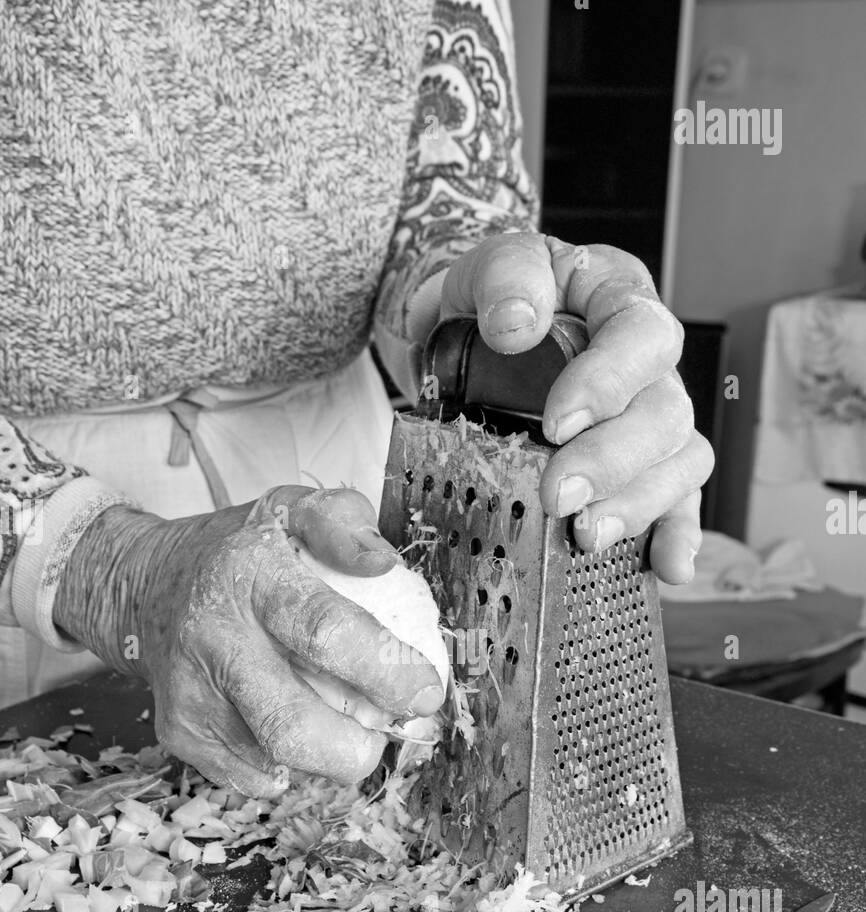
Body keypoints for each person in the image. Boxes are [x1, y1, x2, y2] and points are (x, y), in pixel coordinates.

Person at [0, 0, 712, 794]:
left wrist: (514, 326)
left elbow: (445, 182)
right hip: (35, 523)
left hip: (336, 488)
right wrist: (112, 569)